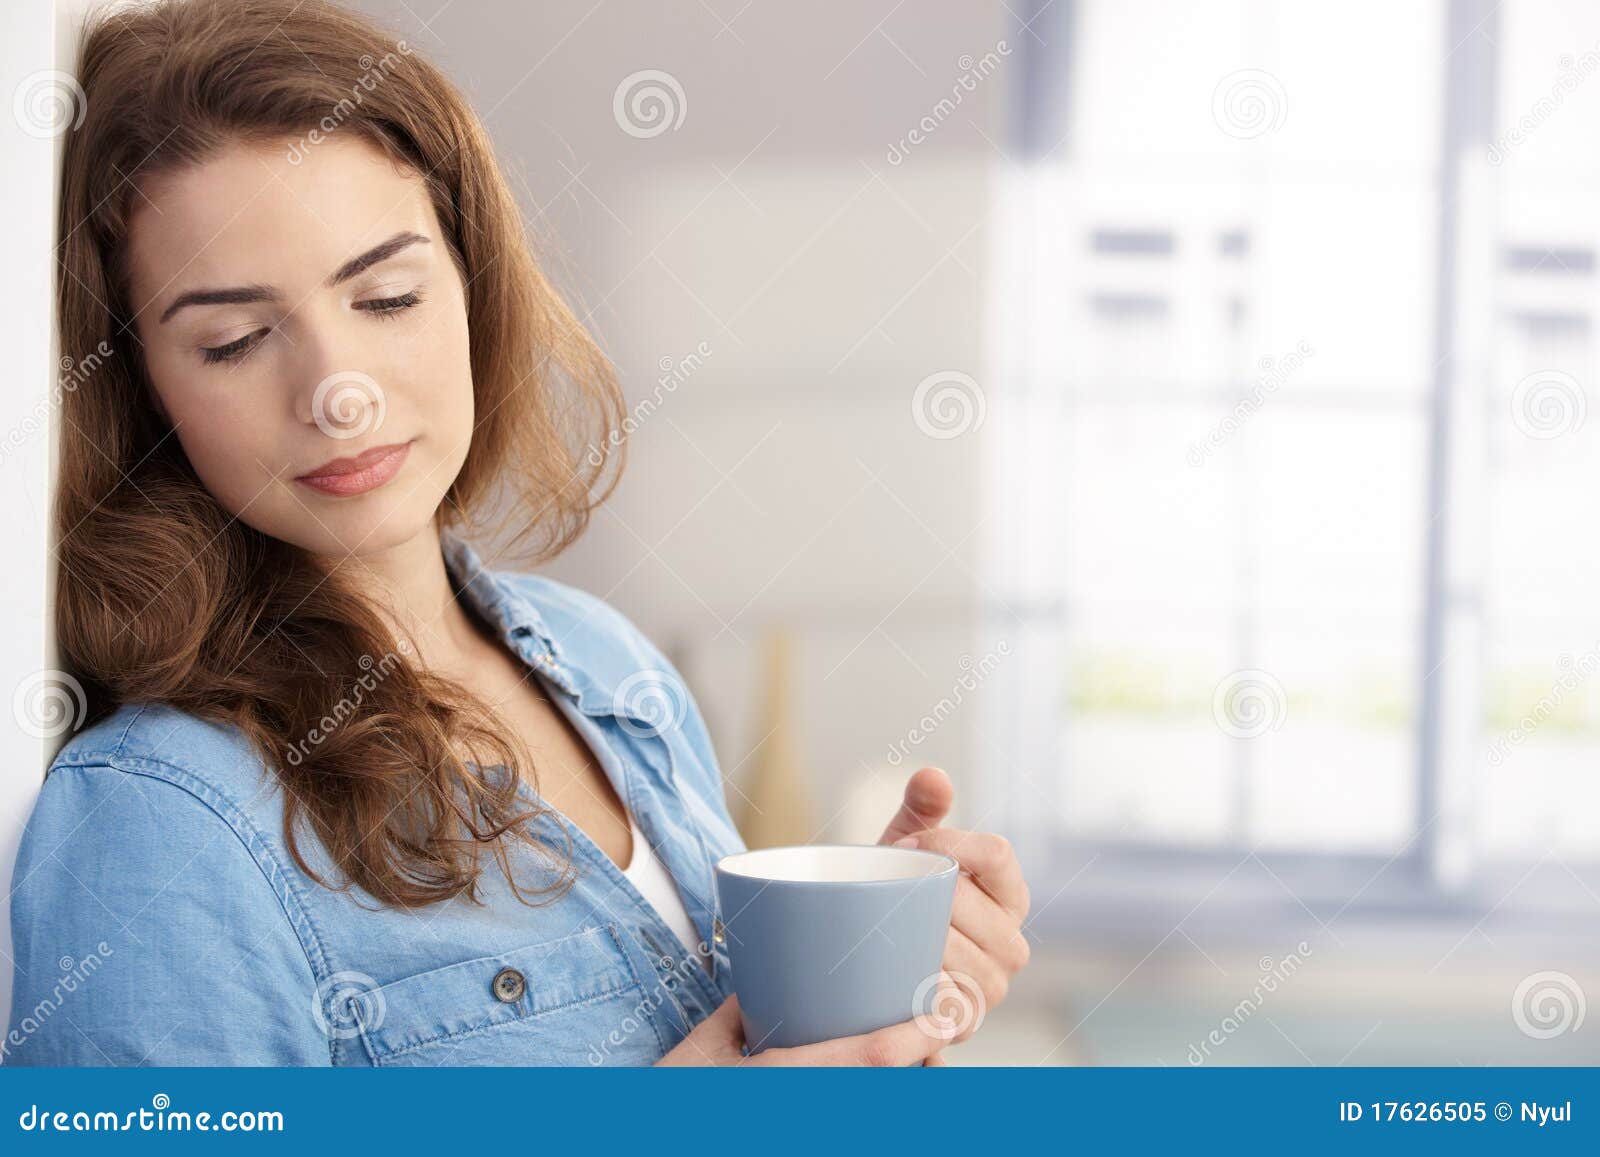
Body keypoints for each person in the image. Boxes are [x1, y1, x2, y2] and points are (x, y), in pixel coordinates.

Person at [5, 0, 1029, 1066]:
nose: (339, 394)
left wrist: (858, 973)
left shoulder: (608, 663)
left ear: (471, 283)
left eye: (386, 297)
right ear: (141, 386)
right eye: (235, 340)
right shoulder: (155, 818)